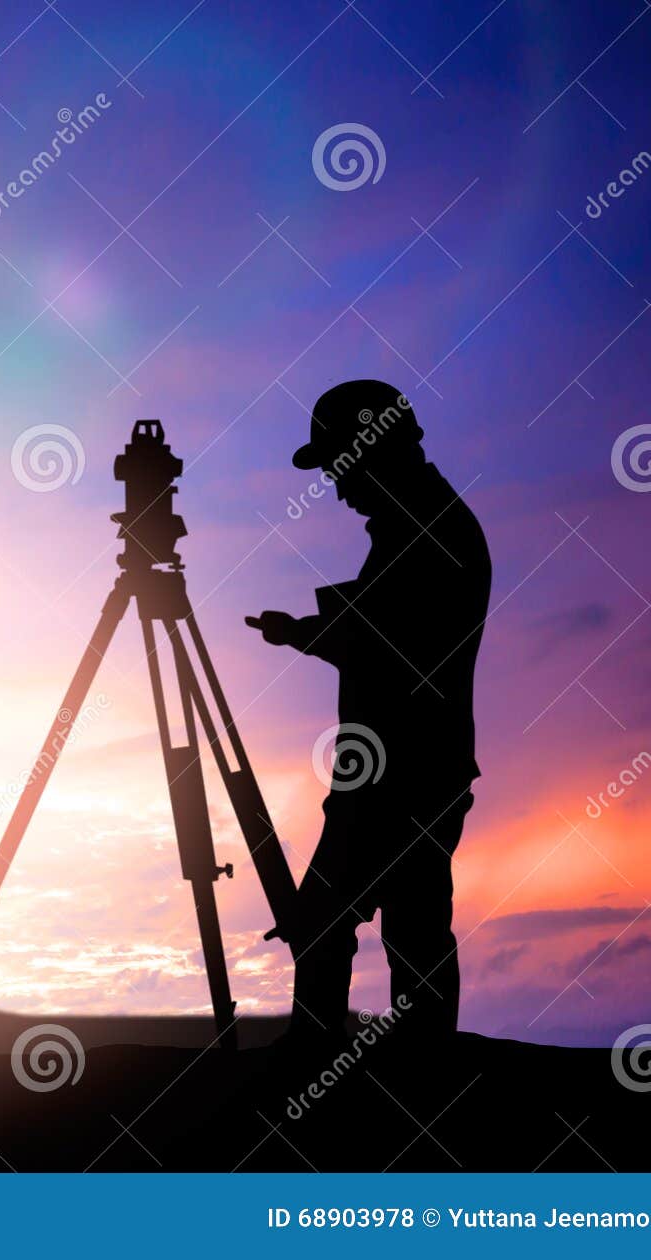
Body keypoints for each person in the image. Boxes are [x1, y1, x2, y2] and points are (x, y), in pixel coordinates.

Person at [246, 380, 490, 1047]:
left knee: (339, 916)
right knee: (396, 920)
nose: (335, 483)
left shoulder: (428, 530)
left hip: (401, 774)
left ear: (370, 450)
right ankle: (398, 1066)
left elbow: (393, 646)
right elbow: (384, 634)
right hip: (401, 768)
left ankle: (329, 1063)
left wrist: (310, 631)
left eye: (338, 465)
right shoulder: (418, 524)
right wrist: (305, 630)